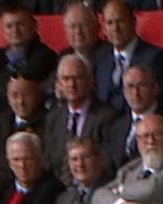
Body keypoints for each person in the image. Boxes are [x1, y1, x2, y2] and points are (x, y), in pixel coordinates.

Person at [42, 55, 126, 186]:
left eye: (78, 78)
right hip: (58, 192)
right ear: (59, 84)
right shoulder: (54, 117)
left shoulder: (108, 117)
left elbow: (109, 163)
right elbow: (48, 161)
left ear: (91, 81)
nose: (72, 84)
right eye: (66, 79)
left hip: (96, 189)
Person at [96, 0, 163, 114]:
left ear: (133, 22)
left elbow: (162, 103)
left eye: (120, 21)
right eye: (110, 23)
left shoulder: (156, 57)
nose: (115, 28)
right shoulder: (101, 60)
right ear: (104, 29)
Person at [0, 3, 61, 92]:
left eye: (20, 24)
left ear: (34, 26)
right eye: (9, 26)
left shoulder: (47, 56)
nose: (15, 30)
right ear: (3, 30)